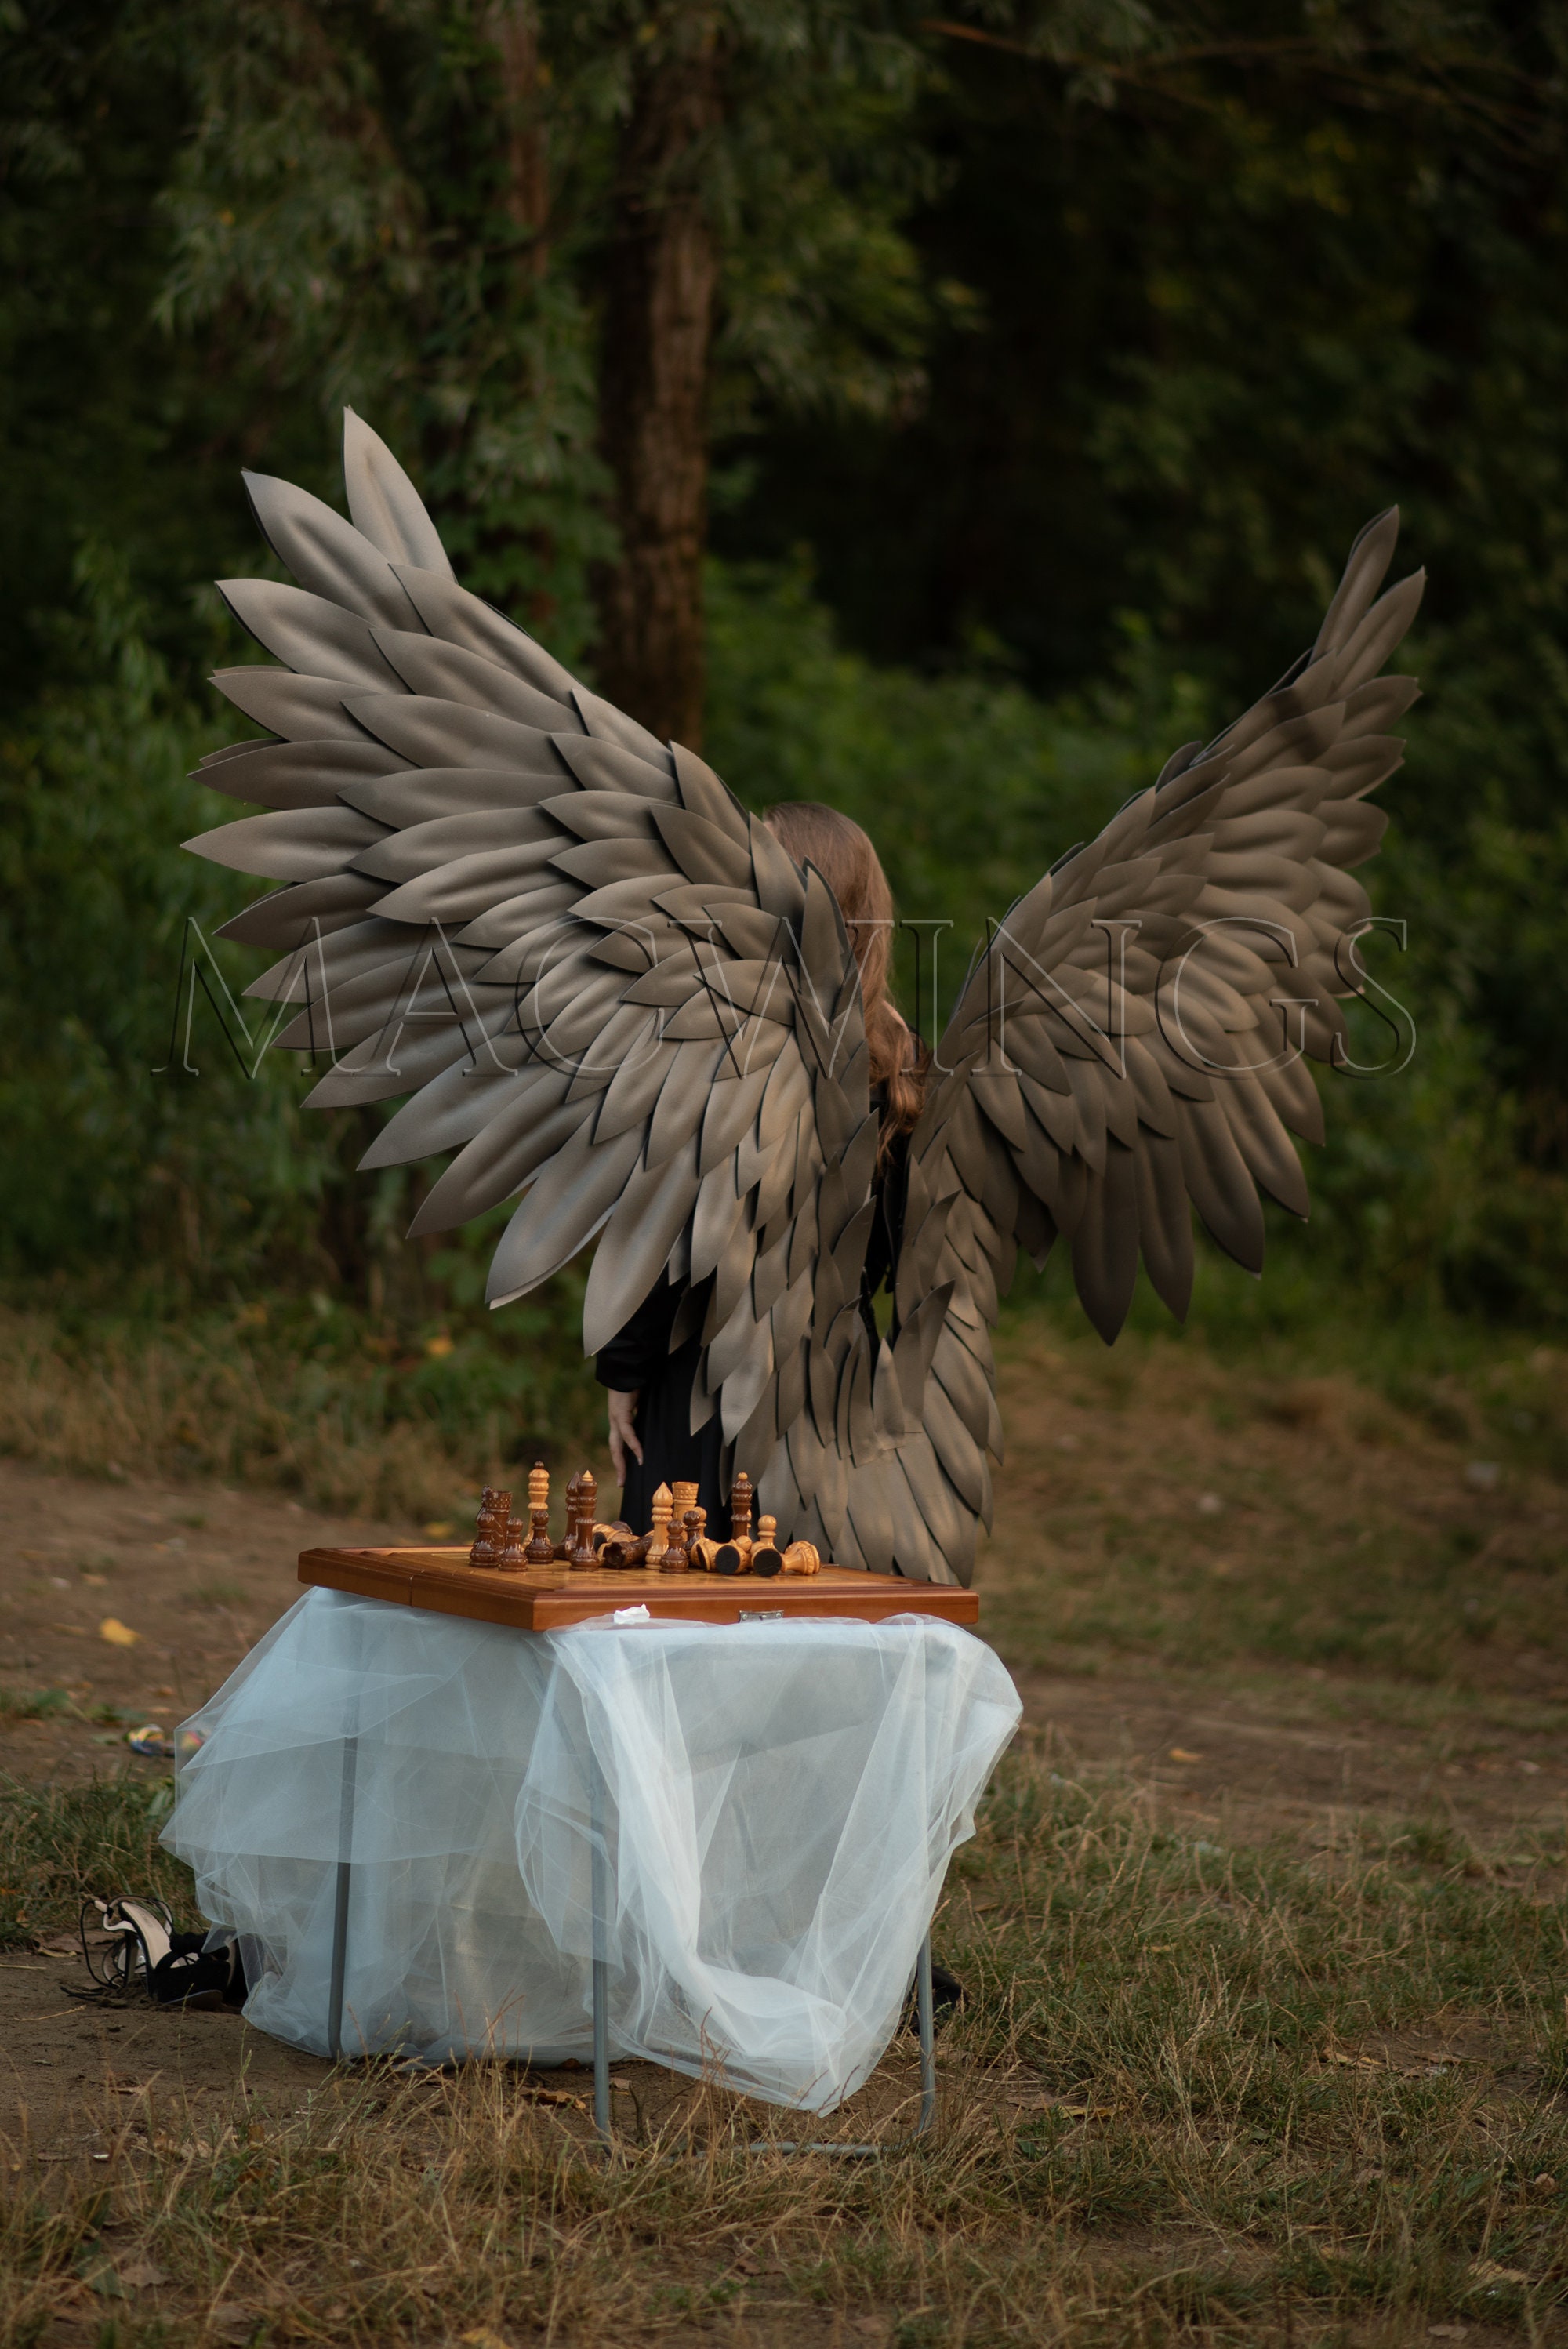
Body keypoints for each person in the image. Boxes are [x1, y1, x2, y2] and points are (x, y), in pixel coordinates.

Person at [596, 801, 928, 1541]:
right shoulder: (903, 1066)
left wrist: (625, 1373)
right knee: (812, 1626)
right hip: (839, 1393)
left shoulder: (723, 1047)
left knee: (685, 1628)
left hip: (707, 1388)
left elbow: (671, 1237)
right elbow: (901, 1259)